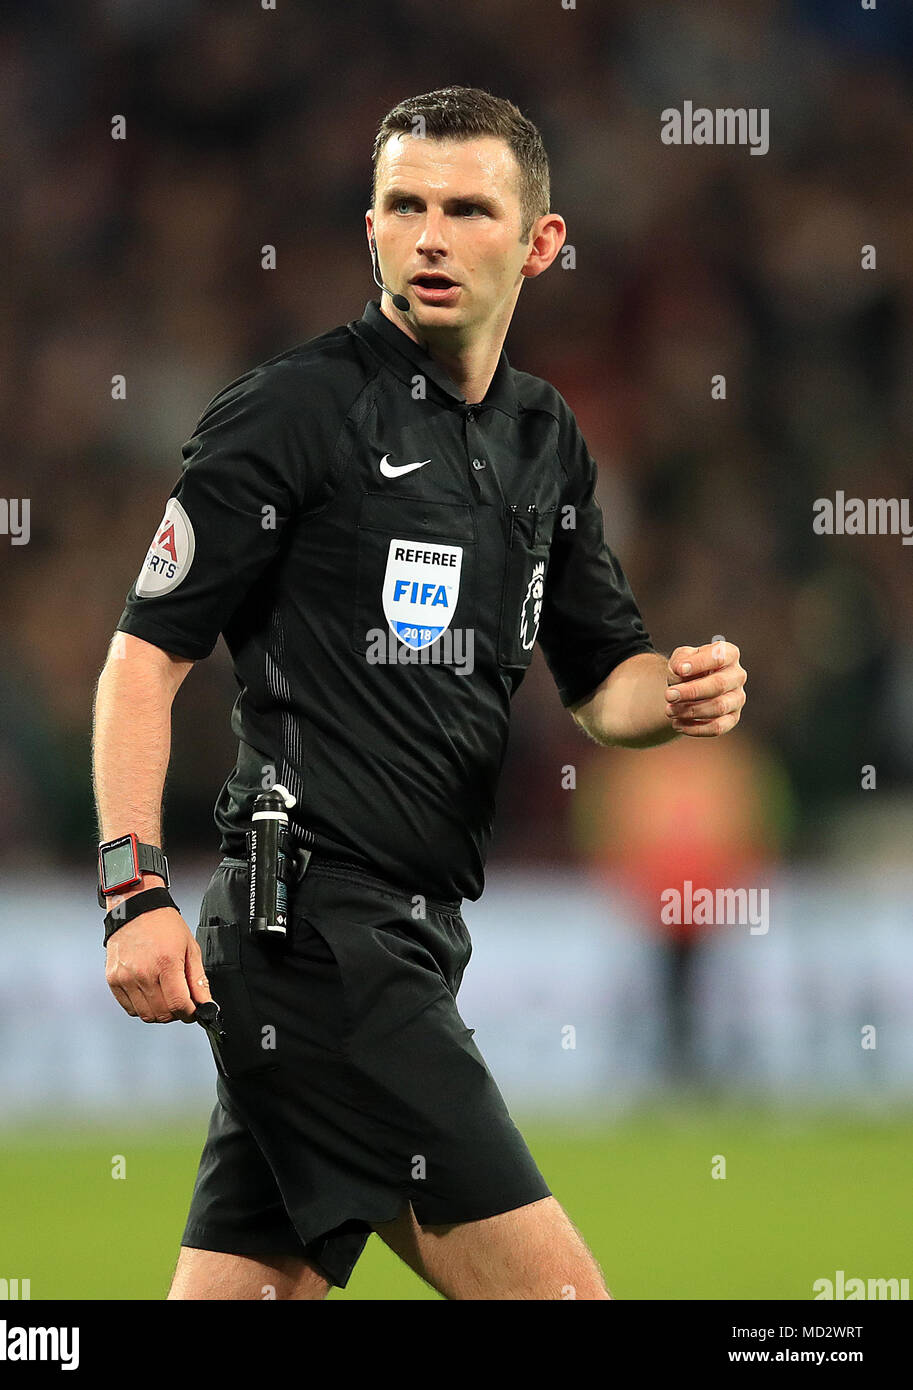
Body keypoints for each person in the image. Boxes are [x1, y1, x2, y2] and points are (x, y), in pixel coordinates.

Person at [91, 85, 747, 1301]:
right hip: (315, 940)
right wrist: (132, 887)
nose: (431, 235)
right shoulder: (292, 412)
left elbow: (605, 681)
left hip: (414, 936)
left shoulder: (545, 439)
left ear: (540, 243)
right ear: (372, 226)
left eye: (465, 208)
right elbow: (143, 659)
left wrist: (683, 692)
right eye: (404, 205)